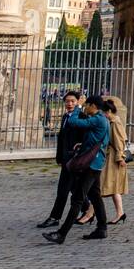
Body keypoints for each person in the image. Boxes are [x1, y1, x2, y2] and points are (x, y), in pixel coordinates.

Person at [43, 94, 111, 243]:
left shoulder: (97, 119)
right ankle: (102, 228)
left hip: (91, 165)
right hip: (96, 162)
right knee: (95, 196)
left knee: (77, 199)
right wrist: (84, 145)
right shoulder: (103, 119)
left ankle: (62, 234)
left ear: (93, 106)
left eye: (87, 105)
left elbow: (74, 122)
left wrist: (77, 107)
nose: (85, 107)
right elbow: (101, 139)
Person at [37, 91, 83, 229]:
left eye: (72, 101)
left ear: (78, 102)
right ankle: (90, 211)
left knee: (63, 189)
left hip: (74, 159)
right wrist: (59, 157)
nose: (69, 104)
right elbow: (62, 139)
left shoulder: (81, 117)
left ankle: (55, 217)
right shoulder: (65, 117)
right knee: (76, 189)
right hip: (66, 158)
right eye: (67, 101)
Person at [99, 98, 128, 224]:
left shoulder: (115, 123)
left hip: (114, 159)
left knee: (101, 186)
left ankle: (89, 214)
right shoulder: (111, 122)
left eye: (103, 113)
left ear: (109, 111)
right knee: (113, 188)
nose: (102, 115)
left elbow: (120, 141)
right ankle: (120, 213)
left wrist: (120, 158)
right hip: (111, 157)